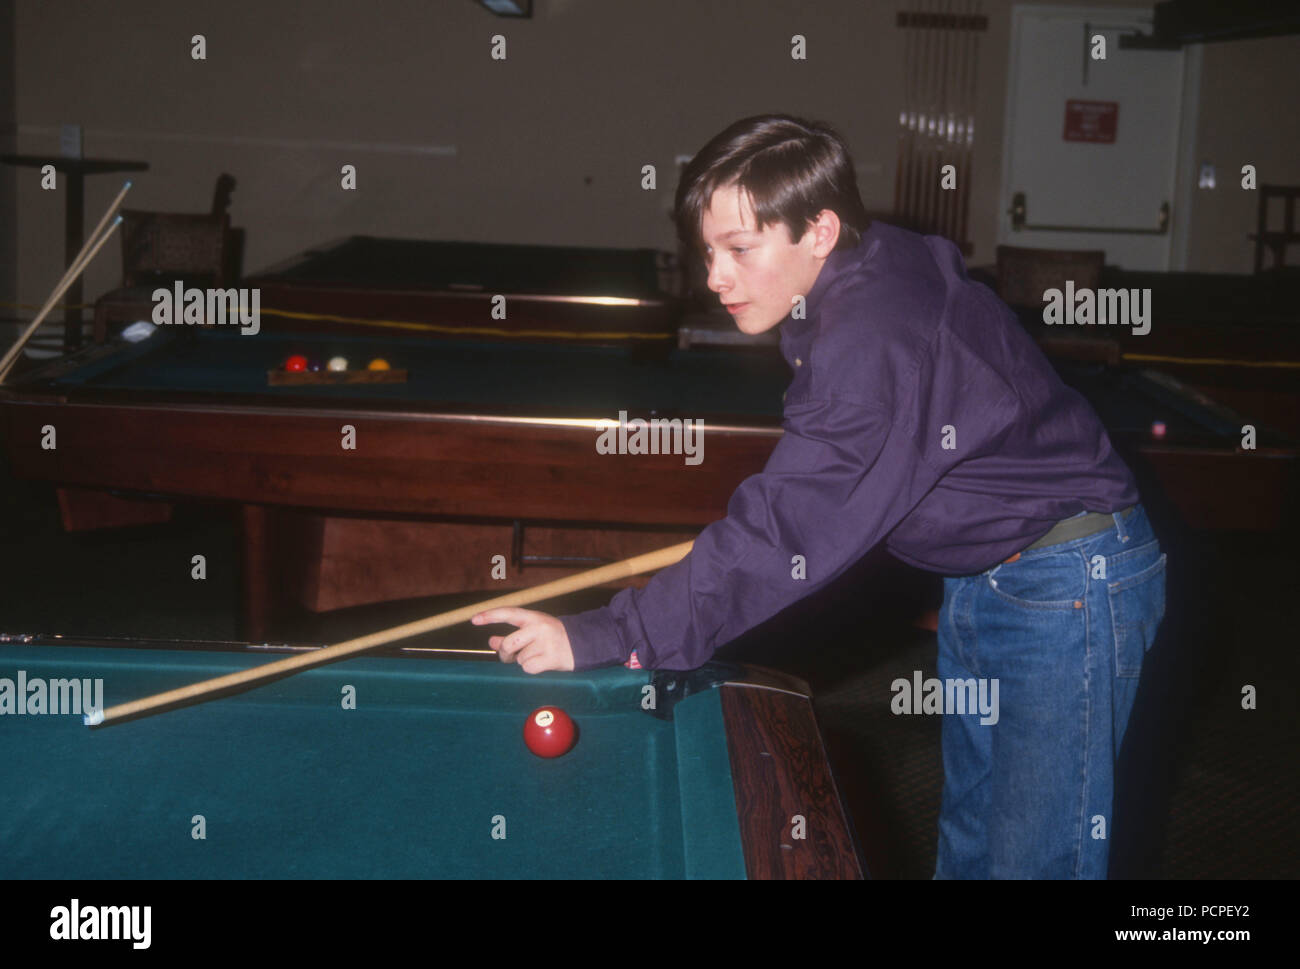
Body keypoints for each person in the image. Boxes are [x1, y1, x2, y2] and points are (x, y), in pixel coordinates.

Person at [471, 114, 1166, 879]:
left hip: (1066, 584)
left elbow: (786, 533)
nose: (715, 277)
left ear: (821, 230)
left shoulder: (873, 334)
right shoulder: (865, 267)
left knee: (1037, 862)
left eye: (739, 249)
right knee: (973, 840)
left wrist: (608, 632)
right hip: (992, 575)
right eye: (708, 251)